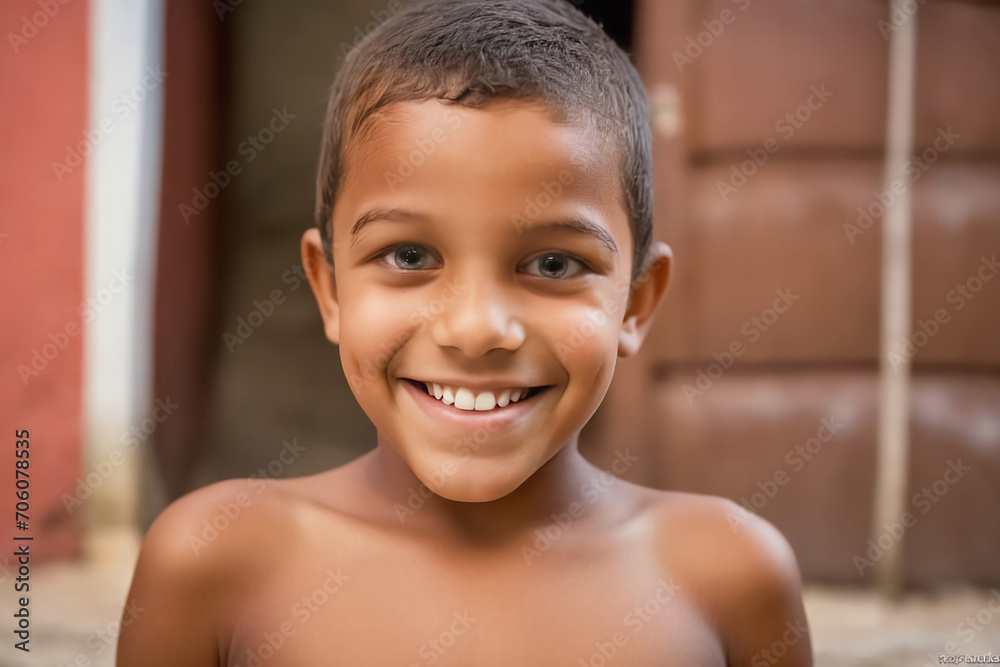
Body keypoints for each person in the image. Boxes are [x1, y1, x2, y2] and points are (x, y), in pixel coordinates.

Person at [118, 0, 812, 664]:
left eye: (553, 263)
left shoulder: (729, 575)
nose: (477, 329)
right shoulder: (213, 562)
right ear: (329, 287)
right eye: (410, 256)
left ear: (636, 301)